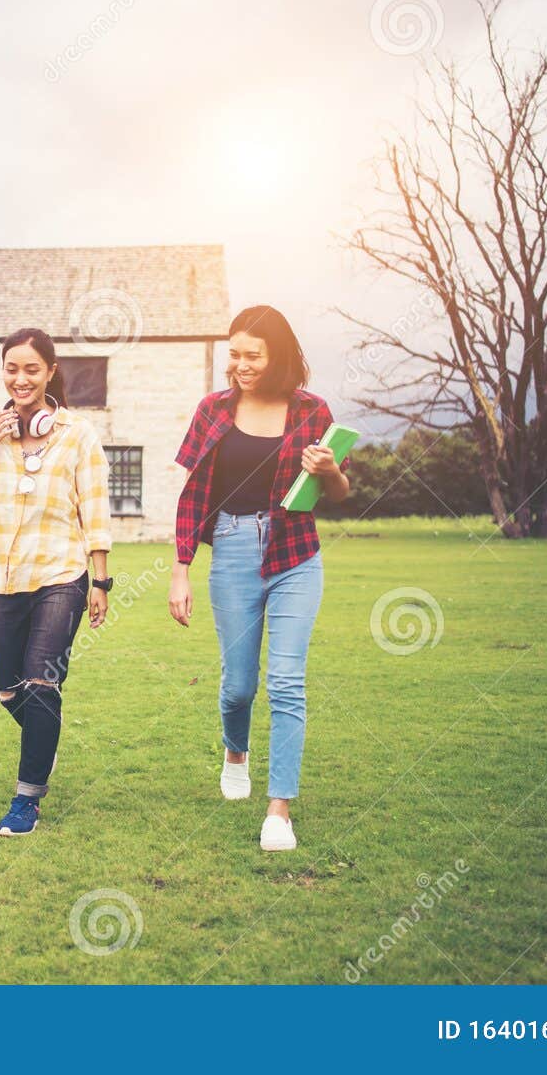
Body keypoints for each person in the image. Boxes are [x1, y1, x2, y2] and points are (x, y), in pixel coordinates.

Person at [167, 305, 351, 852]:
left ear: (278, 358)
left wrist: (329, 471)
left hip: (296, 552)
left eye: (253, 356)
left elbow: (338, 495)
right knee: (239, 685)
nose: (241, 366)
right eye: (235, 355)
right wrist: (181, 570)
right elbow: (193, 493)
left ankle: (279, 811)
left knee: (287, 682)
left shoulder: (312, 411)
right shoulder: (213, 410)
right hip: (231, 548)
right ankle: (235, 751)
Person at [0, 328, 112, 836]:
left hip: (61, 574)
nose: (20, 378)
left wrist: (100, 580)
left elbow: (95, 507)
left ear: (50, 372)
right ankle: (43, 742)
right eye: (11, 368)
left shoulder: (77, 434)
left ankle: (27, 799)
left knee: (42, 682)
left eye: (31, 369)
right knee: (8, 688)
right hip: (2, 577)